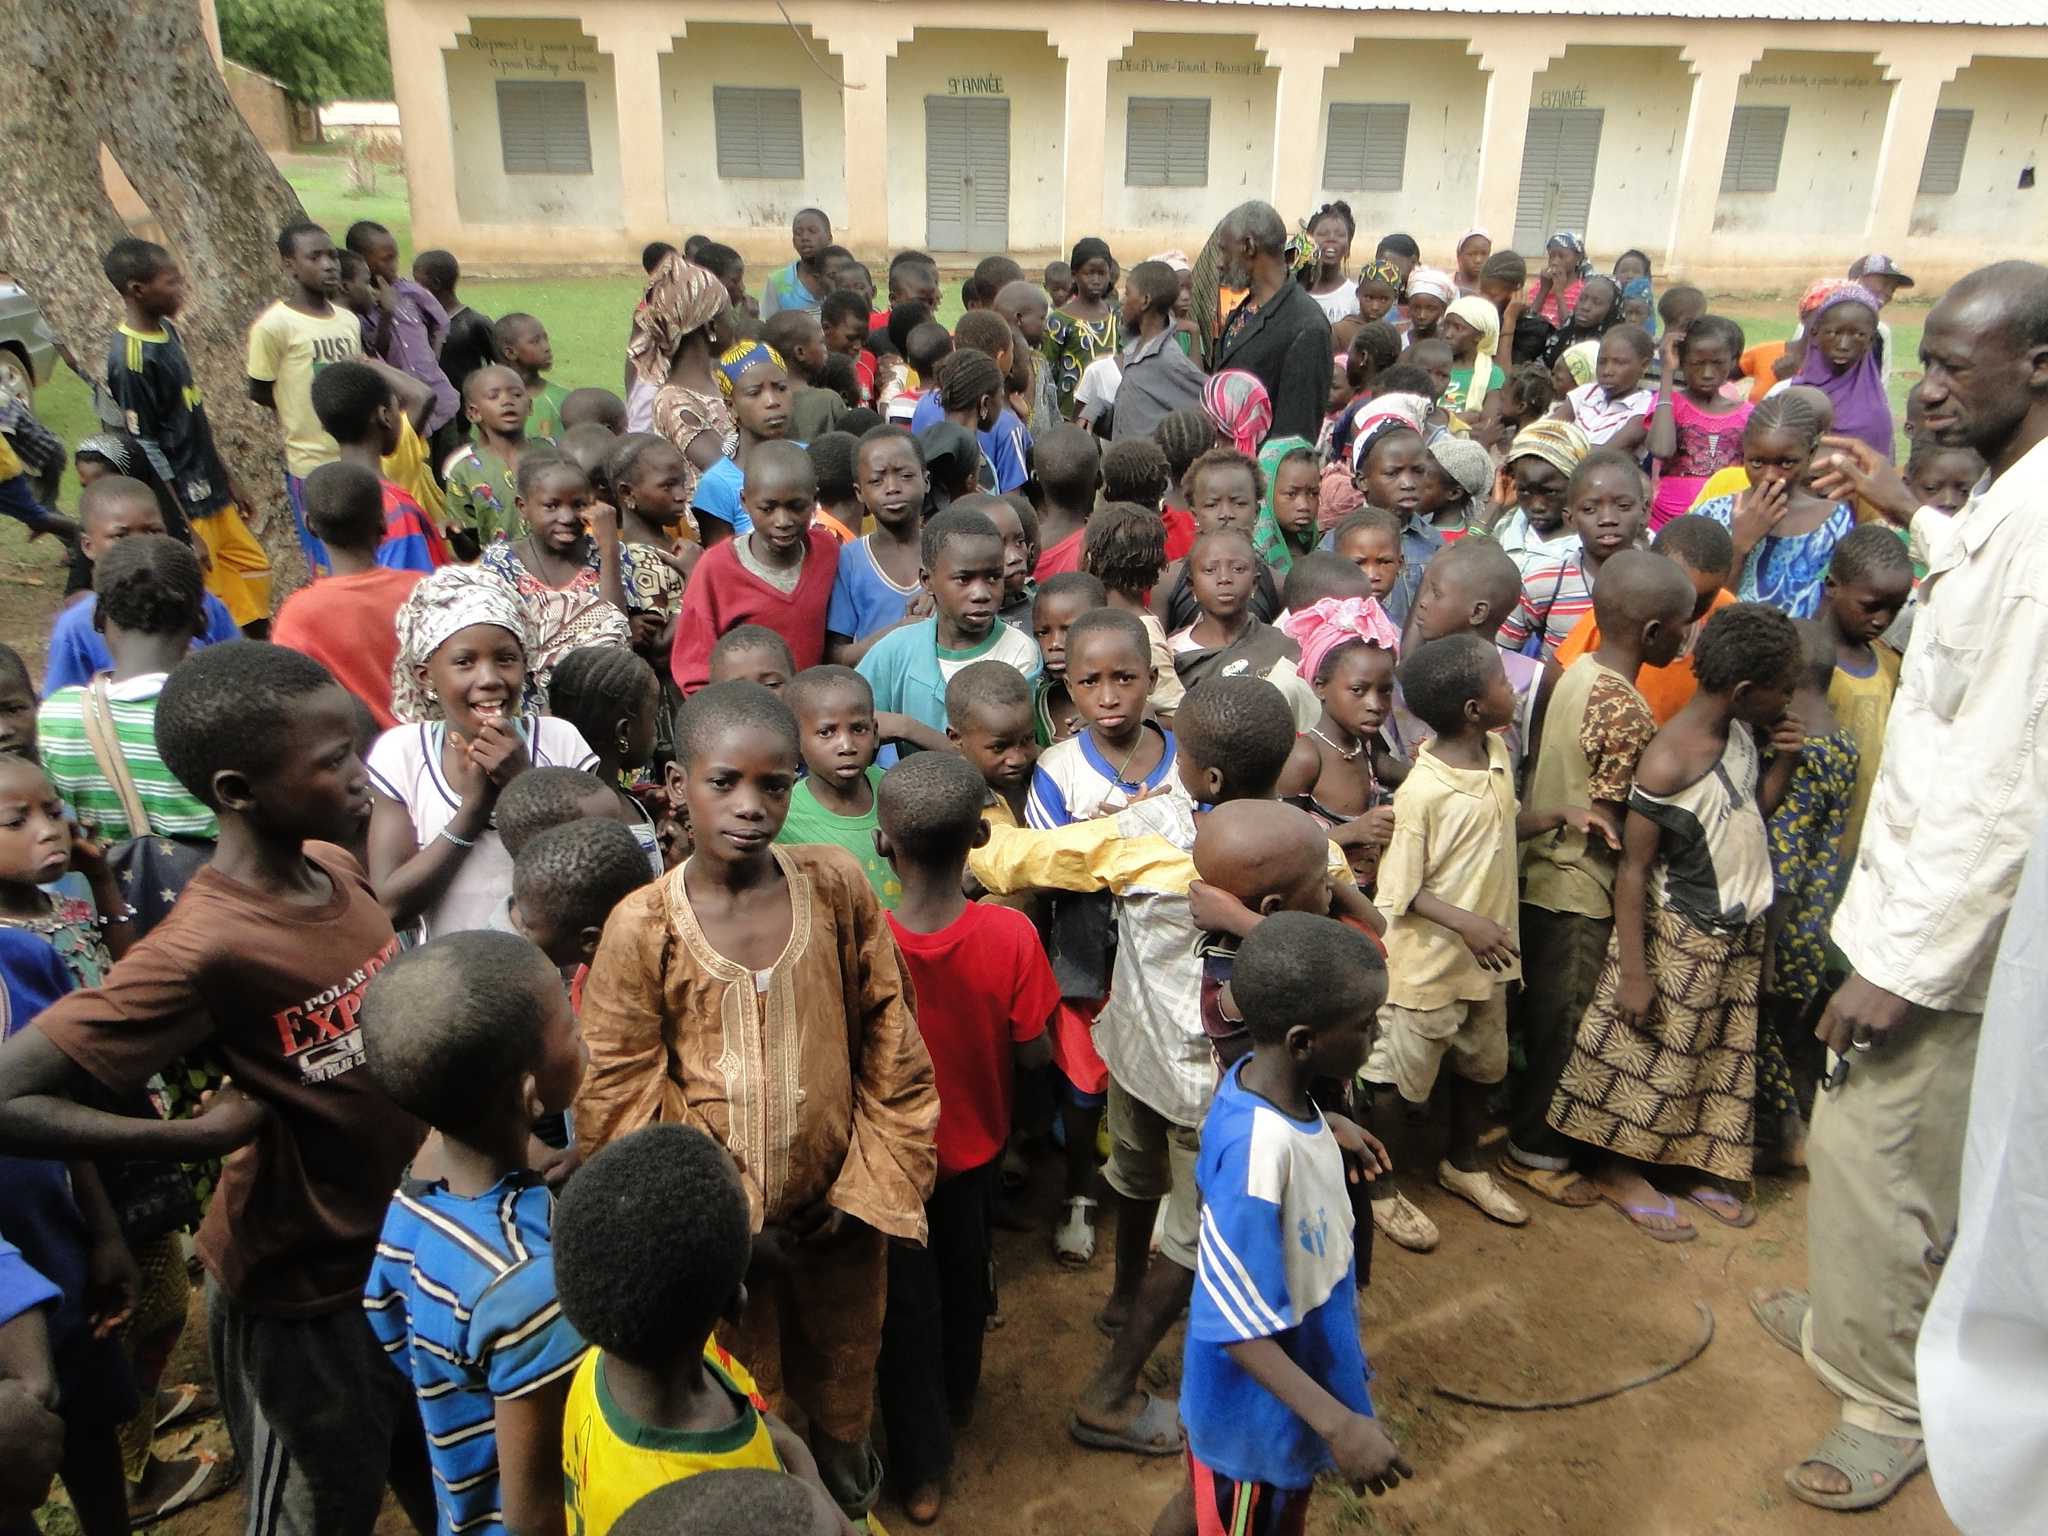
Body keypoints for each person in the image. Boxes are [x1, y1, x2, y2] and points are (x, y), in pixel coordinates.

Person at [0, 641, 434, 1536]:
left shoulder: (336, 865)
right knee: (318, 1510)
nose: (362, 775)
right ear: (236, 791)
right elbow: (9, 1096)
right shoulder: (202, 946)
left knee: (439, 1472)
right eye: (333, 761)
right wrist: (191, 1139)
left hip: (401, 1263)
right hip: (300, 1300)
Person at [1748, 262, 2048, 1513]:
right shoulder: (2003, 508)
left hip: (1951, 933)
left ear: (2035, 368)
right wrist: (1905, 510)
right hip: (1922, 894)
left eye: (1950, 367)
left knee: (1882, 1147)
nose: (1922, 393)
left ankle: (1891, 1396)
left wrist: (1898, 965)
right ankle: (1858, 1317)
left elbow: (1999, 779)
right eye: (1920, 367)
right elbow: (1964, 605)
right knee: (1887, 1145)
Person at [572, 682, 938, 1522]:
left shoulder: (837, 885)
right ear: (676, 784)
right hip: (719, 1256)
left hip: (839, 1224)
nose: (751, 806)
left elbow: (893, 1040)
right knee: (745, 1411)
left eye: (774, 785)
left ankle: (845, 1508)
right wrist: (729, 1229)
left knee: (846, 1390)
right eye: (725, 782)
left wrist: (865, 1190)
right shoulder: (643, 927)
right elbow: (619, 1102)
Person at [1149, 911, 1409, 1536]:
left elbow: (1272, 1129)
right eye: (1365, 1024)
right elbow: (1234, 1327)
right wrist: (1338, 1423)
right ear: (1302, 1041)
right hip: (1255, 1425)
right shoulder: (1258, 1154)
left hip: (1272, 1405)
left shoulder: (1257, 1086)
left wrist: (1326, 1130)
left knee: (1198, 1505)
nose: (1377, 1032)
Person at [1547, 602, 1802, 1239]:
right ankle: (1615, 1167)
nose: (1792, 699)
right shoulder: (1668, 761)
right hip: (1679, 938)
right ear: (1745, 691)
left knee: (1708, 1060)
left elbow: (1749, 814)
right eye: (1785, 687)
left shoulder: (1742, 739)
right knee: (1646, 1064)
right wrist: (1635, 971)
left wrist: (1786, 763)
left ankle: (1682, 1161)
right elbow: (1634, 871)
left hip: (1734, 933)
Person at [1363, 635, 1616, 1249]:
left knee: (1481, 1068)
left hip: (1490, 965)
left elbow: (1503, 824)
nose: (1514, 686)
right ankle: (1380, 1191)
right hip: (1425, 970)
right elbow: (1401, 891)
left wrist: (1556, 816)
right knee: (1395, 1084)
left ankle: (1464, 1165)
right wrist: (1468, 924)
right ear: (1474, 708)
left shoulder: (1497, 751)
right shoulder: (1424, 790)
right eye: (1502, 680)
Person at [871, 753, 1056, 1524]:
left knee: (904, 1309)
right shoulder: (1010, 936)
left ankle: (920, 1469)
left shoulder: (868, 941)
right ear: (982, 835)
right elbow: (1034, 1054)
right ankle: (959, 1401)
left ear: (884, 844)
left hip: (890, 1164)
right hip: (975, 1153)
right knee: (966, 1276)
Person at [357, 932, 587, 1536]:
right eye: (571, 1027)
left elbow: (389, 1327)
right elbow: (536, 1515)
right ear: (528, 1092)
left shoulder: (414, 1200)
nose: (582, 1034)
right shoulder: (528, 1287)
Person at [1502, 552, 1699, 1206]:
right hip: (1578, 891)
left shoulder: (1576, 670)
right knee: (1567, 1028)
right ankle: (1536, 1151)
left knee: (1548, 1019)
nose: (1687, 636)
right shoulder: (1628, 712)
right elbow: (1612, 827)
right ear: (1651, 634)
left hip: (1539, 873)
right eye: (1681, 626)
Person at [553, 1126, 859, 1536]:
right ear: (737, 1305)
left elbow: (754, 1412)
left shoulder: (606, 1365)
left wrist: (786, 1445)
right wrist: (810, 1480)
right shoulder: (715, 1503)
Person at [368, 567, 598, 938]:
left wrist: (523, 786)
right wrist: (473, 809)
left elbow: (590, 880)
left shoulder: (559, 743)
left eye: (506, 659)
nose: (490, 679)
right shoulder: (403, 754)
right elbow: (389, 908)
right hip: (450, 985)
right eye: (465, 662)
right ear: (426, 676)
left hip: (554, 983)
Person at [101, 238, 272, 633]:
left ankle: (261, 644)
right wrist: (183, 528)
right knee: (209, 597)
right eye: (171, 283)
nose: (181, 290)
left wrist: (228, 477)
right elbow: (147, 446)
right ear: (137, 289)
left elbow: (191, 416)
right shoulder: (130, 361)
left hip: (212, 487)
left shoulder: (167, 331)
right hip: (187, 504)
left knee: (253, 569)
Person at [1757, 620, 1860, 1168]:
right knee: (1777, 1027)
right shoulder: (1842, 742)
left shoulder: (1802, 751)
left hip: (1783, 923)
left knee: (1757, 1026)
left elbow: (1784, 862)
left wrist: (1768, 947)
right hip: (1817, 923)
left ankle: (1790, 1137)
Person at [38, 535, 218, 844]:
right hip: (217, 890)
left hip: (108, 888)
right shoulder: (224, 714)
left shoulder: (57, 718)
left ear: (98, 616)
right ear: (201, 619)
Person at [857, 507, 1040, 751]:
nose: (981, 594)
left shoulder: (1018, 651)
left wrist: (906, 728)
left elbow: (994, 756)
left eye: (993, 577)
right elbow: (849, 709)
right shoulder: (899, 648)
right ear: (927, 581)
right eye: (964, 579)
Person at [42, 477, 242, 695]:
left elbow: (239, 677)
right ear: (88, 546)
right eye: (120, 535)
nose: (140, 544)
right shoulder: (75, 628)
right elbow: (63, 705)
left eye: (152, 530)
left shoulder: (204, 603)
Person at [671, 442, 839, 693]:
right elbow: (694, 670)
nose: (782, 521)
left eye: (796, 507)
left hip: (812, 713)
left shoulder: (827, 551)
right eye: (767, 509)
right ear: (744, 501)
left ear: (814, 501)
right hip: (747, 716)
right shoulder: (716, 568)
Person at [270, 462, 425, 730]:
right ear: (382, 520)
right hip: (435, 750)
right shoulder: (422, 590)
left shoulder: (298, 615)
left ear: (310, 525)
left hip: (359, 760)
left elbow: (287, 701)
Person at [247, 222, 364, 575]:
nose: (329, 264)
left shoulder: (347, 321)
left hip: (356, 456)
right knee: (326, 563)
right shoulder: (274, 326)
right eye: (314, 257)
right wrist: (299, 409)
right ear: (290, 264)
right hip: (310, 464)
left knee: (364, 552)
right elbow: (260, 388)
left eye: (331, 255)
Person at [1548, 513, 1740, 726]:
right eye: (1679, 591)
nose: (1688, 607)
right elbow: (1557, 674)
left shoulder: (1725, 613)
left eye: (1702, 599)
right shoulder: (1621, 612)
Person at [477, 448, 643, 688]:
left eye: (578, 505)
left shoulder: (610, 553)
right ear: (522, 507)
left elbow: (616, 634)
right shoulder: (501, 562)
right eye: (551, 506)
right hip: (527, 698)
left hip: (598, 691)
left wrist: (608, 548)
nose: (566, 517)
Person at [1695, 392, 1856, 620]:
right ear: (1744, 454)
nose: (1771, 476)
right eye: (1757, 462)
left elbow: (1831, 610)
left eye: (1786, 463)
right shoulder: (1711, 515)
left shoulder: (1833, 524)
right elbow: (1702, 613)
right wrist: (1740, 546)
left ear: (1810, 454)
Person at [1498, 449, 1648, 664]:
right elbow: (1502, 654)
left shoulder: (1662, 582)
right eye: (1589, 509)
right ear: (1570, 518)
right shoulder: (1544, 584)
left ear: (1643, 511)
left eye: (1623, 506)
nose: (1607, 519)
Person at [1815, 526, 1912, 858]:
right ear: (1832, 586)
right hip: (1804, 830)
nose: (1882, 619)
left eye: (1895, 609)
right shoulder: (1806, 659)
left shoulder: (1889, 665)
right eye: (1871, 606)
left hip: (1858, 837)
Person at [309, 359, 452, 573]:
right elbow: (412, 592)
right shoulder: (395, 509)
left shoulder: (331, 500)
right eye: (396, 408)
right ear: (385, 416)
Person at [1210, 202, 1334, 444]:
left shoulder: (1307, 326)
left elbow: (1296, 437)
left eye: (1224, 251)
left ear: (1248, 246)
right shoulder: (1245, 310)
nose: (1219, 263)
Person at [774, 666, 896, 908]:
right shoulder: (783, 817)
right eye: (826, 732)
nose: (846, 745)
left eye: (858, 729)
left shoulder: (897, 790)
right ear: (795, 741)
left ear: (875, 733)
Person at [629, 255, 734, 511]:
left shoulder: (721, 381)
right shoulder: (672, 400)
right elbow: (727, 472)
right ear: (711, 326)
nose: (735, 324)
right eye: (730, 315)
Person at [344, 221, 459, 437]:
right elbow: (377, 352)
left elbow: (441, 323)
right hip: (407, 412)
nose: (394, 265)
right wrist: (387, 312)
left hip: (440, 400)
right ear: (361, 259)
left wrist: (432, 358)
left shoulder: (410, 291)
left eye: (395, 257)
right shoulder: (359, 308)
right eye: (386, 259)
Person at [1647, 314, 1751, 531]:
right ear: (1682, 362)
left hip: (1724, 525)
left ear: (1733, 361)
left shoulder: (1748, 415)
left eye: (1718, 363)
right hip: (1667, 522)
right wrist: (1667, 372)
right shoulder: (1669, 403)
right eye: (1697, 363)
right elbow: (1661, 449)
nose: (1707, 373)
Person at [693, 343, 796, 543]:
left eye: (780, 388)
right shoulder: (718, 486)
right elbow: (721, 566)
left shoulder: (809, 458)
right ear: (731, 407)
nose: (772, 401)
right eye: (755, 393)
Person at [1793, 280, 1895, 463]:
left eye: (1857, 335)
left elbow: (1882, 474)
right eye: (1834, 333)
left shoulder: (1876, 412)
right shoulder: (1790, 395)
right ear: (1814, 334)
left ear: (1871, 341)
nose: (1843, 345)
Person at [1111, 260, 1206, 444]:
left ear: (1145, 301)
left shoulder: (1169, 360)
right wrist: (1099, 410)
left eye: (1128, 293)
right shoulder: (1134, 349)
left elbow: (1209, 402)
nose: (1123, 299)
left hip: (1152, 469)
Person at [442, 365, 534, 552]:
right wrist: (456, 535)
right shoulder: (465, 470)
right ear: (474, 413)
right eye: (494, 396)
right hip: (497, 575)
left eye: (516, 394)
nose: (507, 401)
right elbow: (469, 550)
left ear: (530, 405)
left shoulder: (555, 453)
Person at [410, 250, 501, 413]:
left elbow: (504, 366)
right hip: (431, 414)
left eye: (417, 281)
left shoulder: (474, 324)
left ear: (436, 284)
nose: (412, 287)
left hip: (468, 415)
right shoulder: (418, 323)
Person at [1558, 324, 1655, 454]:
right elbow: (1545, 432)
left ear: (1644, 365)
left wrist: (1561, 449)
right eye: (1602, 362)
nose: (1607, 371)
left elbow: (1608, 452)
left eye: (1619, 363)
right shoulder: (1585, 393)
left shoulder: (1646, 405)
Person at [494, 315, 568, 441]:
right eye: (535, 341)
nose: (546, 347)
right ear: (510, 353)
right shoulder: (492, 404)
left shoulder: (564, 399)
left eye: (546, 339)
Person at [761, 209, 835, 319]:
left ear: (829, 237)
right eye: (798, 233)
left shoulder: (845, 274)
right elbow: (769, 327)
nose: (805, 237)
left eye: (813, 231)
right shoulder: (777, 281)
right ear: (793, 242)